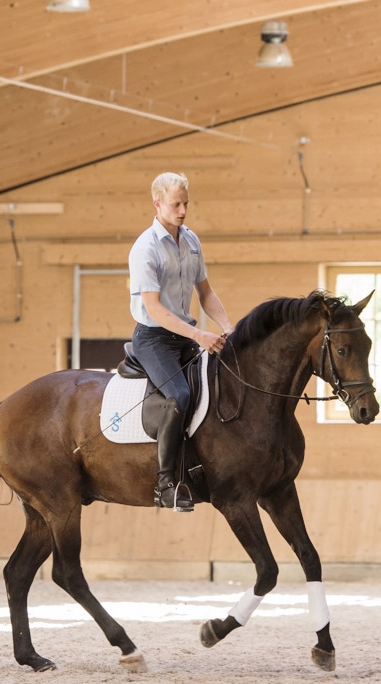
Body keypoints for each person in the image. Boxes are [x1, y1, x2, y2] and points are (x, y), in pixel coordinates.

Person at [128, 172, 234, 513]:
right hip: (154, 339)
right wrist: (199, 335)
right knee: (180, 395)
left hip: (185, 335)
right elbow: (154, 309)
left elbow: (206, 292)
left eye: (186, 203)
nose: (183, 211)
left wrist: (227, 327)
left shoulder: (191, 240)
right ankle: (164, 485)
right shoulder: (145, 248)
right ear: (157, 204)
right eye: (176, 204)